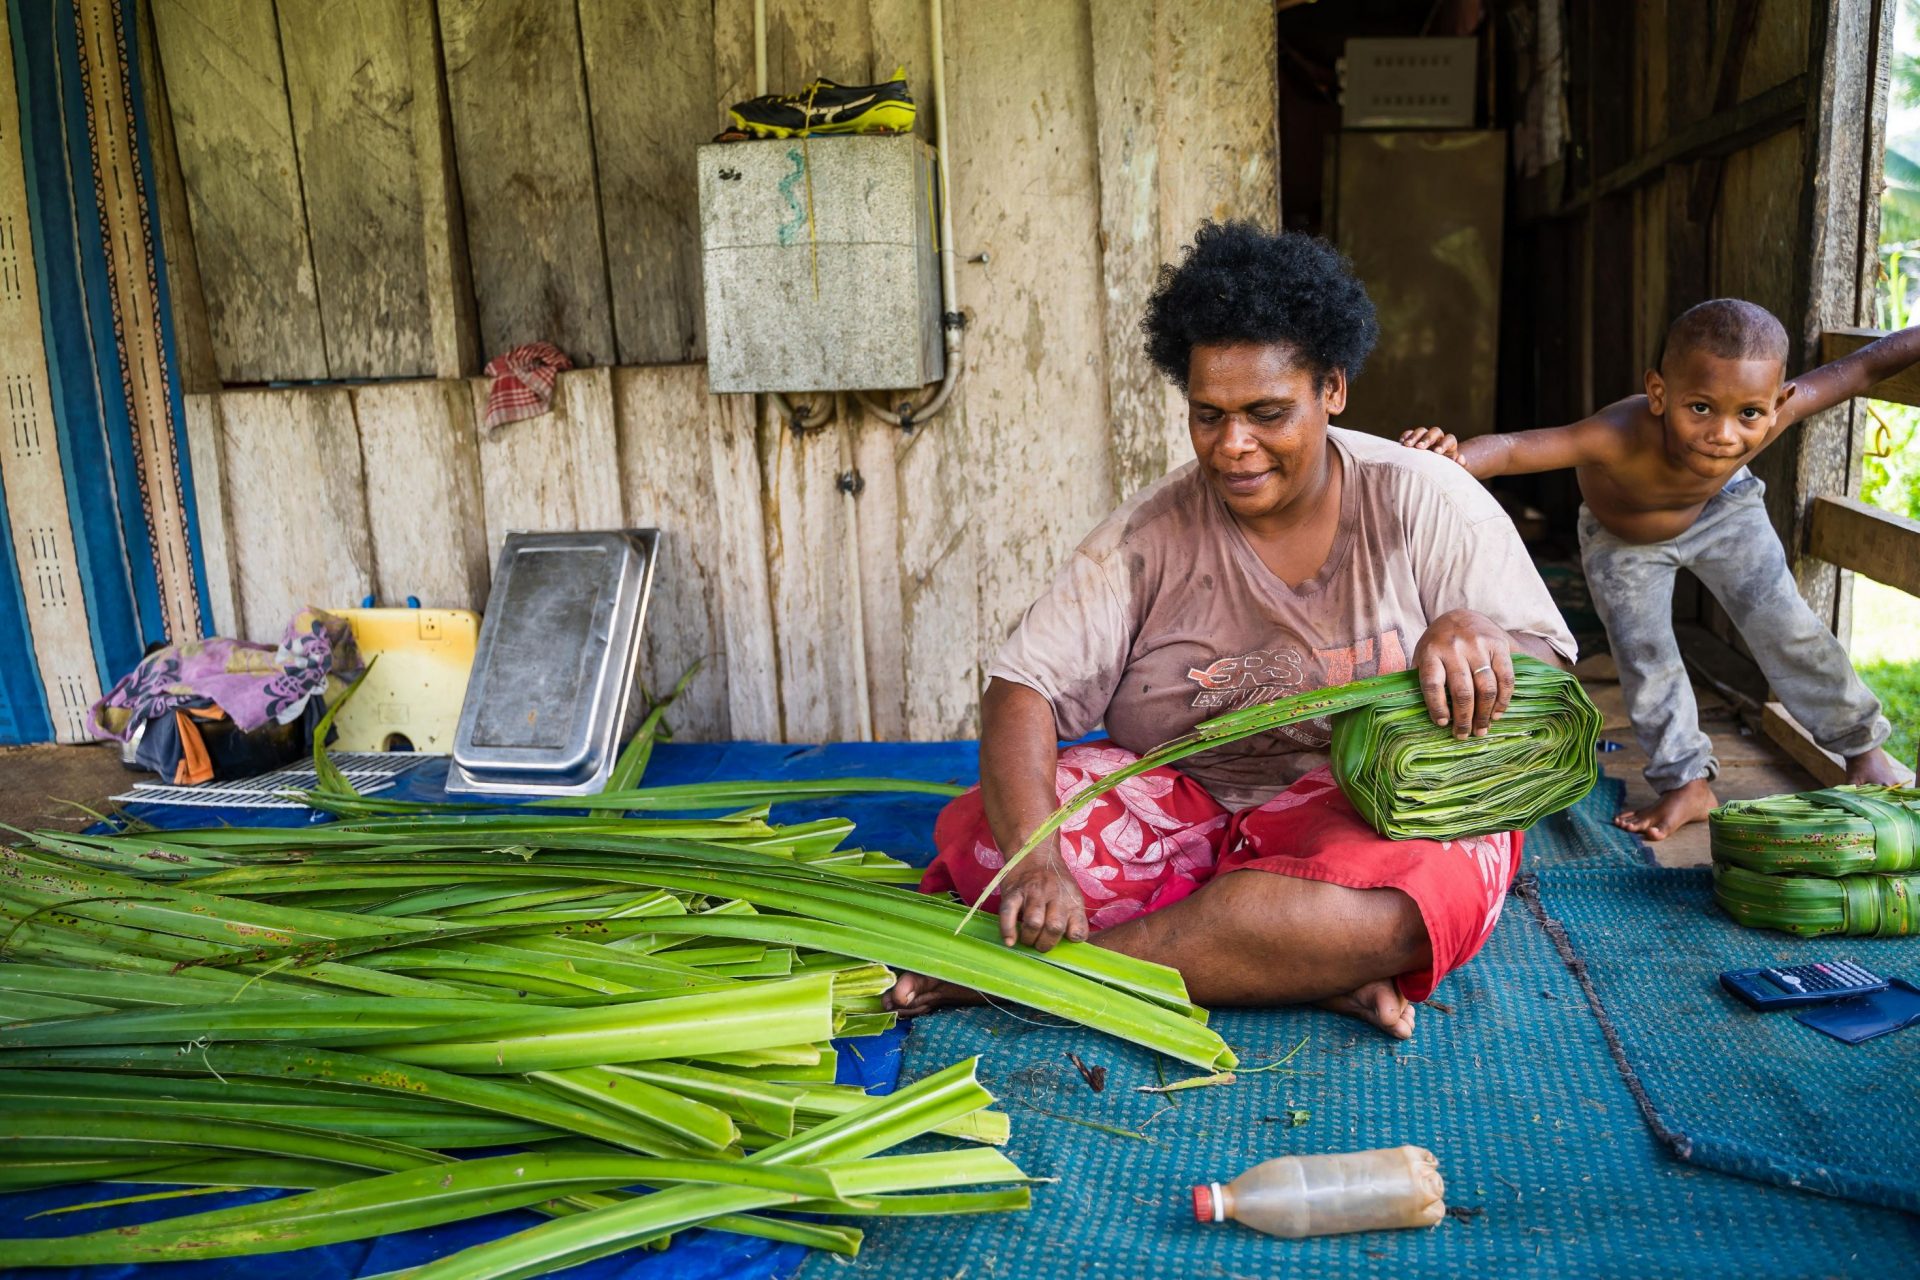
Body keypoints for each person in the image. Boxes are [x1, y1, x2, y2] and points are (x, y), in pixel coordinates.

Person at [885, 223, 1576, 1040]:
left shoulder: (1422, 497)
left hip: (1369, 816)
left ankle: (1049, 978)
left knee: (1406, 905)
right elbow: (1021, 692)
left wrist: (1475, 633)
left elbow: (1547, 675)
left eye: (1266, 413)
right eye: (1208, 416)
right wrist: (1039, 861)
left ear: (1334, 390)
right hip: (1199, 808)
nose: (1233, 446)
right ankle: (1279, 964)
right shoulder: (1146, 538)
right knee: (988, 837)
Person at [1400, 299, 1907, 841]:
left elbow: (1862, 368)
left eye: (1750, 415)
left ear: (1777, 402)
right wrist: (1448, 459)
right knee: (1646, 657)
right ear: (1659, 393)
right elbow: (1512, 451)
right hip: (1624, 542)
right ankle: (1686, 782)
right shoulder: (1616, 434)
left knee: (1787, 626)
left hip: (1725, 514)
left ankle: (1861, 748)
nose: (1725, 435)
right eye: (1701, 409)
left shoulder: (1773, 413)